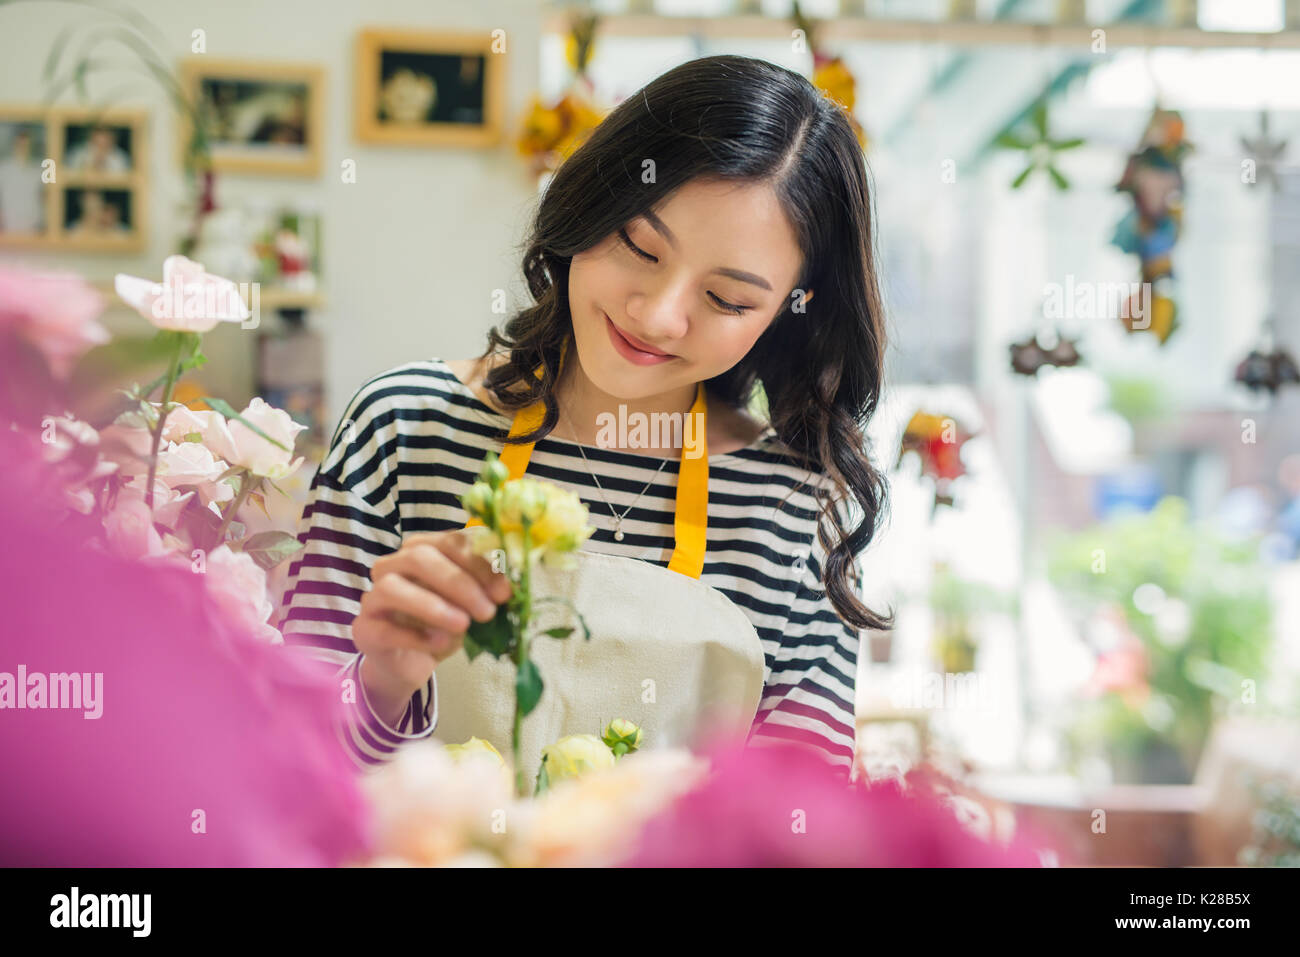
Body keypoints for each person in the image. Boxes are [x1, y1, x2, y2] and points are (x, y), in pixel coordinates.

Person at [281, 54, 892, 780]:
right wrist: (380, 682)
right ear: (591, 199)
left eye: (727, 298)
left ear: (791, 313)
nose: (659, 316)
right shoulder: (405, 428)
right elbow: (274, 757)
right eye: (639, 246)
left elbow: (796, 826)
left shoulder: (795, 508)